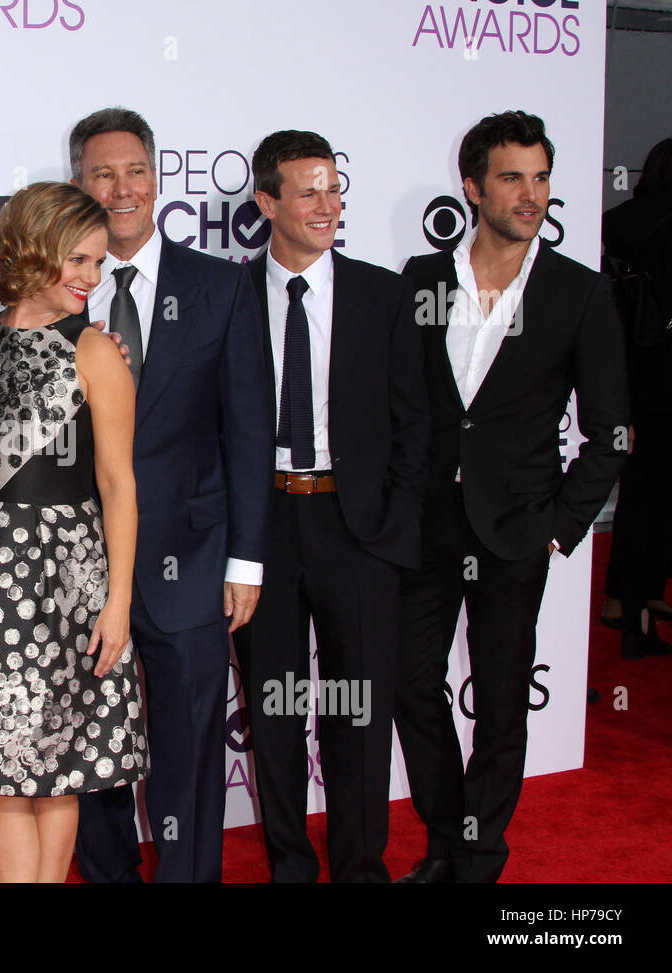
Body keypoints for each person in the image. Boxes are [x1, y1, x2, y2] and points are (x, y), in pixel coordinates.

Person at [394, 111, 628, 883]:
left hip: (515, 530)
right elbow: (403, 405)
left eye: (539, 178)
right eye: (511, 177)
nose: (530, 195)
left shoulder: (579, 293)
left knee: (500, 703)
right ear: (472, 187)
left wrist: (559, 528)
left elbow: (612, 433)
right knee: (407, 682)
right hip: (426, 523)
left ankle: (477, 856)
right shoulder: (423, 281)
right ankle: (445, 836)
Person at [0, 181, 147, 883]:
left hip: (63, 574)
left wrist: (119, 600)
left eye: (98, 263)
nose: (90, 278)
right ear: (32, 250)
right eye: (77, 260)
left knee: (55, 766)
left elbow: (118, 485)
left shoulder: (95, 349)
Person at [68, 107, 275, 883]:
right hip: (82, 563)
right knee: (91, 754)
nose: (120, 188)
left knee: (189, 746)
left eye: (134, 171)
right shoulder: (59, 292)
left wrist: (246, 560)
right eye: (101, 173)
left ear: (156, 180)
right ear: (79, 182)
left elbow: (250, 430)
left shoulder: (221, 285)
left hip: (193, 554)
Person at [236, 130, 428, 882]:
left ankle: (358, 866)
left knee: (358, 714)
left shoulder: (384, 294)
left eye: (334, 189)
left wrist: (391, 526)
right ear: (266, 202)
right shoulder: (230, 296)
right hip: (265, 529)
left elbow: (416, 423)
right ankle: (290, 863)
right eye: (309, 191)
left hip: (358, 532)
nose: (327, 206)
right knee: (275, 712)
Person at [599, 137, 672, 658]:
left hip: (625, 370)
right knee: (657, 496)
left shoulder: (619, 219)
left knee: (639, 490)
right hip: (664, 369)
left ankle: (620, 603)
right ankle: (640, 606)